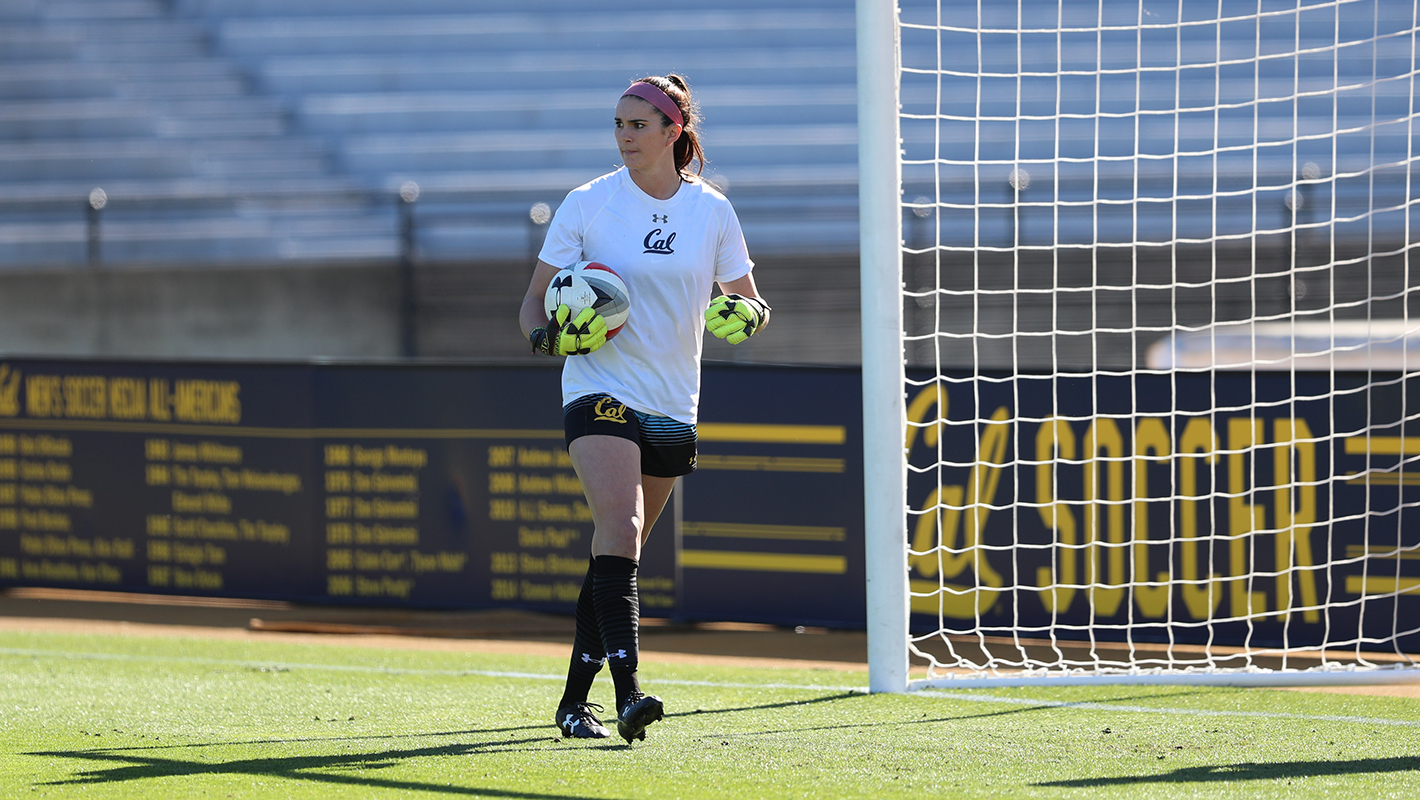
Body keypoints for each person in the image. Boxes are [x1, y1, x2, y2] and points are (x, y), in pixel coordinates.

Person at [518, 74, 770, 744]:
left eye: (638, 125)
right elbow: (530, 309)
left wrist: (740, 315)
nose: (626, 136)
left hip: (671, 399)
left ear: (673, 131)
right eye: (619, 125)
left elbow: (752, 302)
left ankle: (576, 704)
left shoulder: (712, 211)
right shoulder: (588, 203)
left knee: (616, 551)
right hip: (597, 386)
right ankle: (630, 694)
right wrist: (553, 337)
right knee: (622, 528)